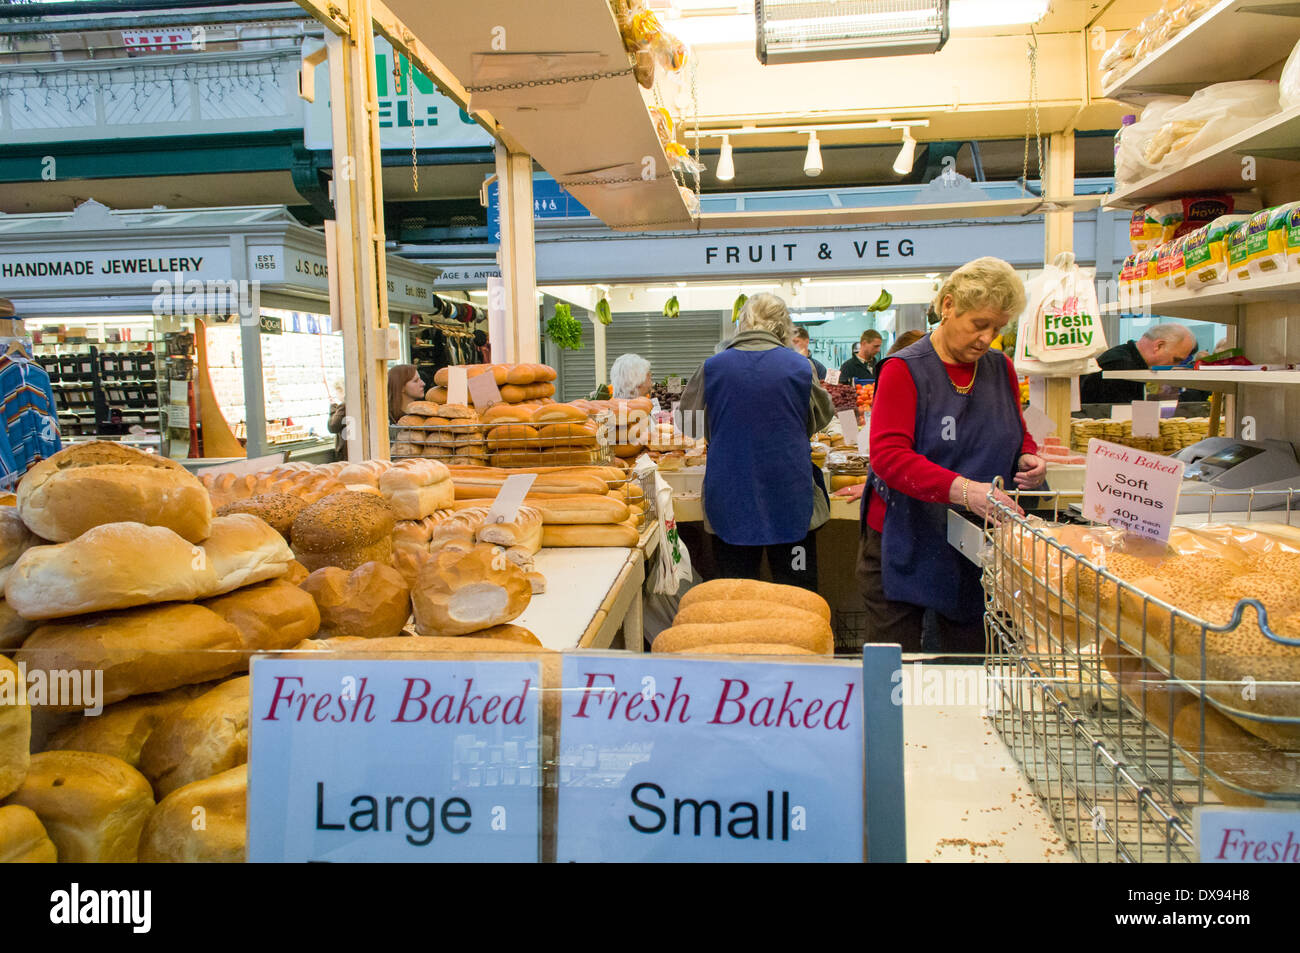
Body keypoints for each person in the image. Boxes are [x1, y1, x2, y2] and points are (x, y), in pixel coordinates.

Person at [858, 257, 1045, 656]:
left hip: (974, 541)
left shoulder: (1001, 368)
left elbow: (1015, 429)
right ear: (947, 305)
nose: (987, 339)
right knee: (896, 667)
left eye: (998, 329)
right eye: (979, 324)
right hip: (904, 534)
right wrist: (965, 490)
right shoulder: (903, 369)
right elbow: (889, 458)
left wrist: (1027, 456)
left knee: (972, 661)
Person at [680, 293, 833, 592]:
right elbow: (821, 419)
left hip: (730, 500)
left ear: (743, 323)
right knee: (795, 595)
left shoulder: (712, 367)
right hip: (790, 498)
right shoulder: (802, 368)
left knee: (736, 597)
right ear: (783, 326)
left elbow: (687, 424)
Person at [1078, 323, 1196, 405]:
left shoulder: (1126, 358)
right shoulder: (1121, 366)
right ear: (1159, 346)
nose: (1174, 366)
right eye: (1175, 359)